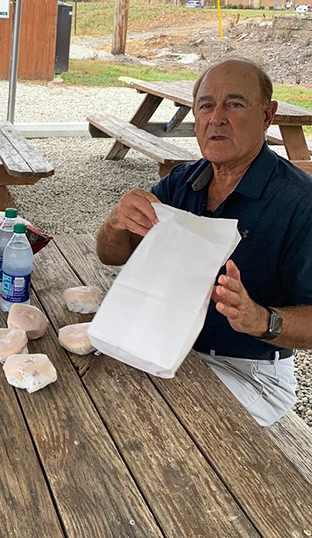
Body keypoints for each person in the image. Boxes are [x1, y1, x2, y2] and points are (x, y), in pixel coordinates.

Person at [96, 58, 312, 427]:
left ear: (267, 115)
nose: (217, 118)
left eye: (235, 104)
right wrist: (116, 223)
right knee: (93, 391)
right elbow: (110, 255)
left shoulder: (299, 202)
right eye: (206, 105)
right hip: (166, 346)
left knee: (148, 423)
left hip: (248, 371)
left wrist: (260, 319)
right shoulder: (182, 182)